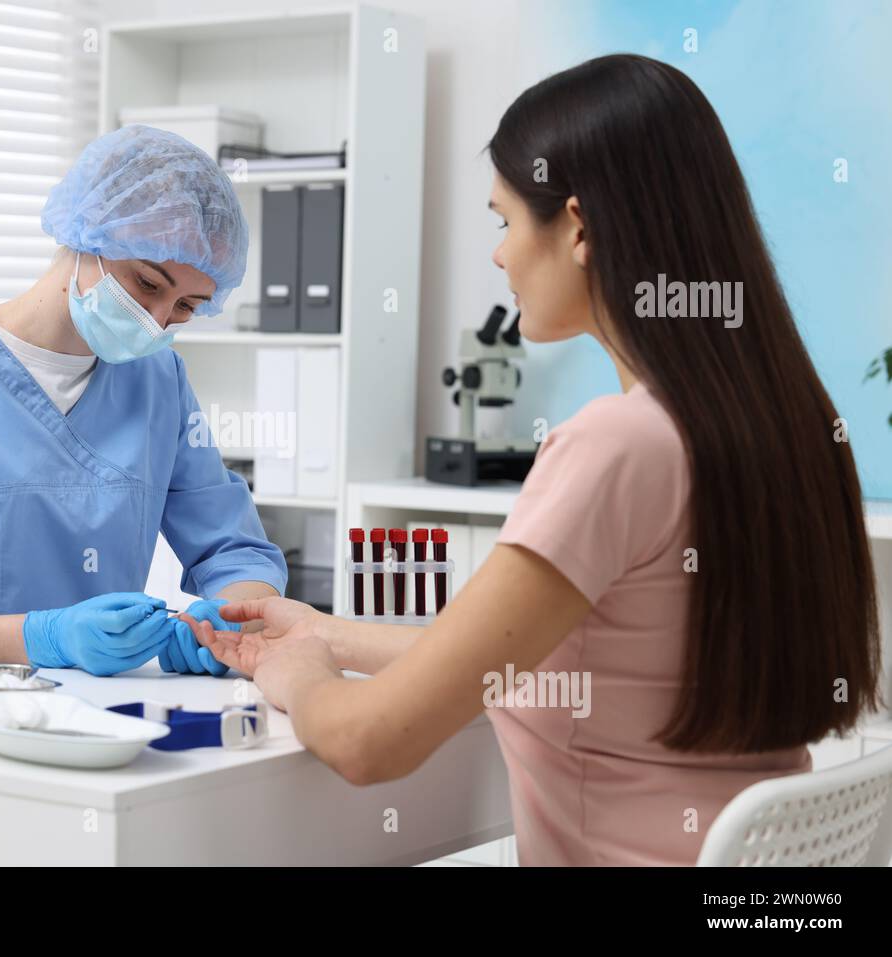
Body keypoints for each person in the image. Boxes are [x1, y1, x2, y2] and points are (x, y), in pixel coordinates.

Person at [180, 55, 882, 866]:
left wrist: (298, 676)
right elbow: (526, 661)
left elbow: (369, 744)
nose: (499, 255)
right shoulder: (796, 424)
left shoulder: (614, 446)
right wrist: (323, 633)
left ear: (578, 228)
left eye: (504, 221)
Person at [0, 125, 287, 681]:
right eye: (146, 283)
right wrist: (42, 637)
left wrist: (229, 622)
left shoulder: (157, 380)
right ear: (89, 231)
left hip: (102, 723)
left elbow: (235, 550)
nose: (157, 320)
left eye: (187, 306)